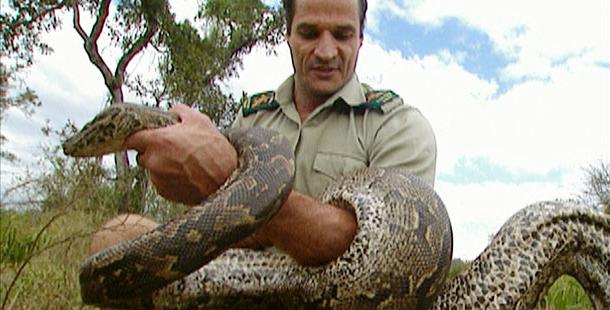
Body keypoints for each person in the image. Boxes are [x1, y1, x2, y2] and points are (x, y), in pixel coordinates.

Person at [89, 0, 437, 267]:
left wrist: (229, 180)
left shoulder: (398, 126)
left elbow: (382, 253)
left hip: (335, 294)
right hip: (242, 279)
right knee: (115, 237)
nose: (326, 52)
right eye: (309, 33)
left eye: (342, 35)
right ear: (288, 34)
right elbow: (225, 233)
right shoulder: (252, 119)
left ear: (360, 38)